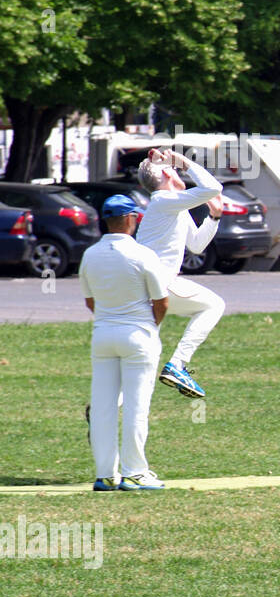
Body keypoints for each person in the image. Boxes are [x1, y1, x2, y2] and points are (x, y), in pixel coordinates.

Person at [79, 195, 170, 491]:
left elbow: (91, 301)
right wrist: (147, 326)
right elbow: (162, 302)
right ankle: (135, 471)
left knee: (104, 407)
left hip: (103, 335)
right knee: (136, 405)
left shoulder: (90, 254)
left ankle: (105, 473)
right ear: (131, 219)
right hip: (137, 335)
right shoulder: (143, 255)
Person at [134, 147, 224, 399]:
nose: (176, 171)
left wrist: (213, 218)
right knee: (214, 305)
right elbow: (213, 188)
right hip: (159, 284)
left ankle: (108, 406)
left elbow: (196, 244)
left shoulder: (172, 206)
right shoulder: (164, 201)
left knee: (146, 357)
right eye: (171, 169)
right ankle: (178, 365)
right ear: (164, 177)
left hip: (149, 289)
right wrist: (182, 161)